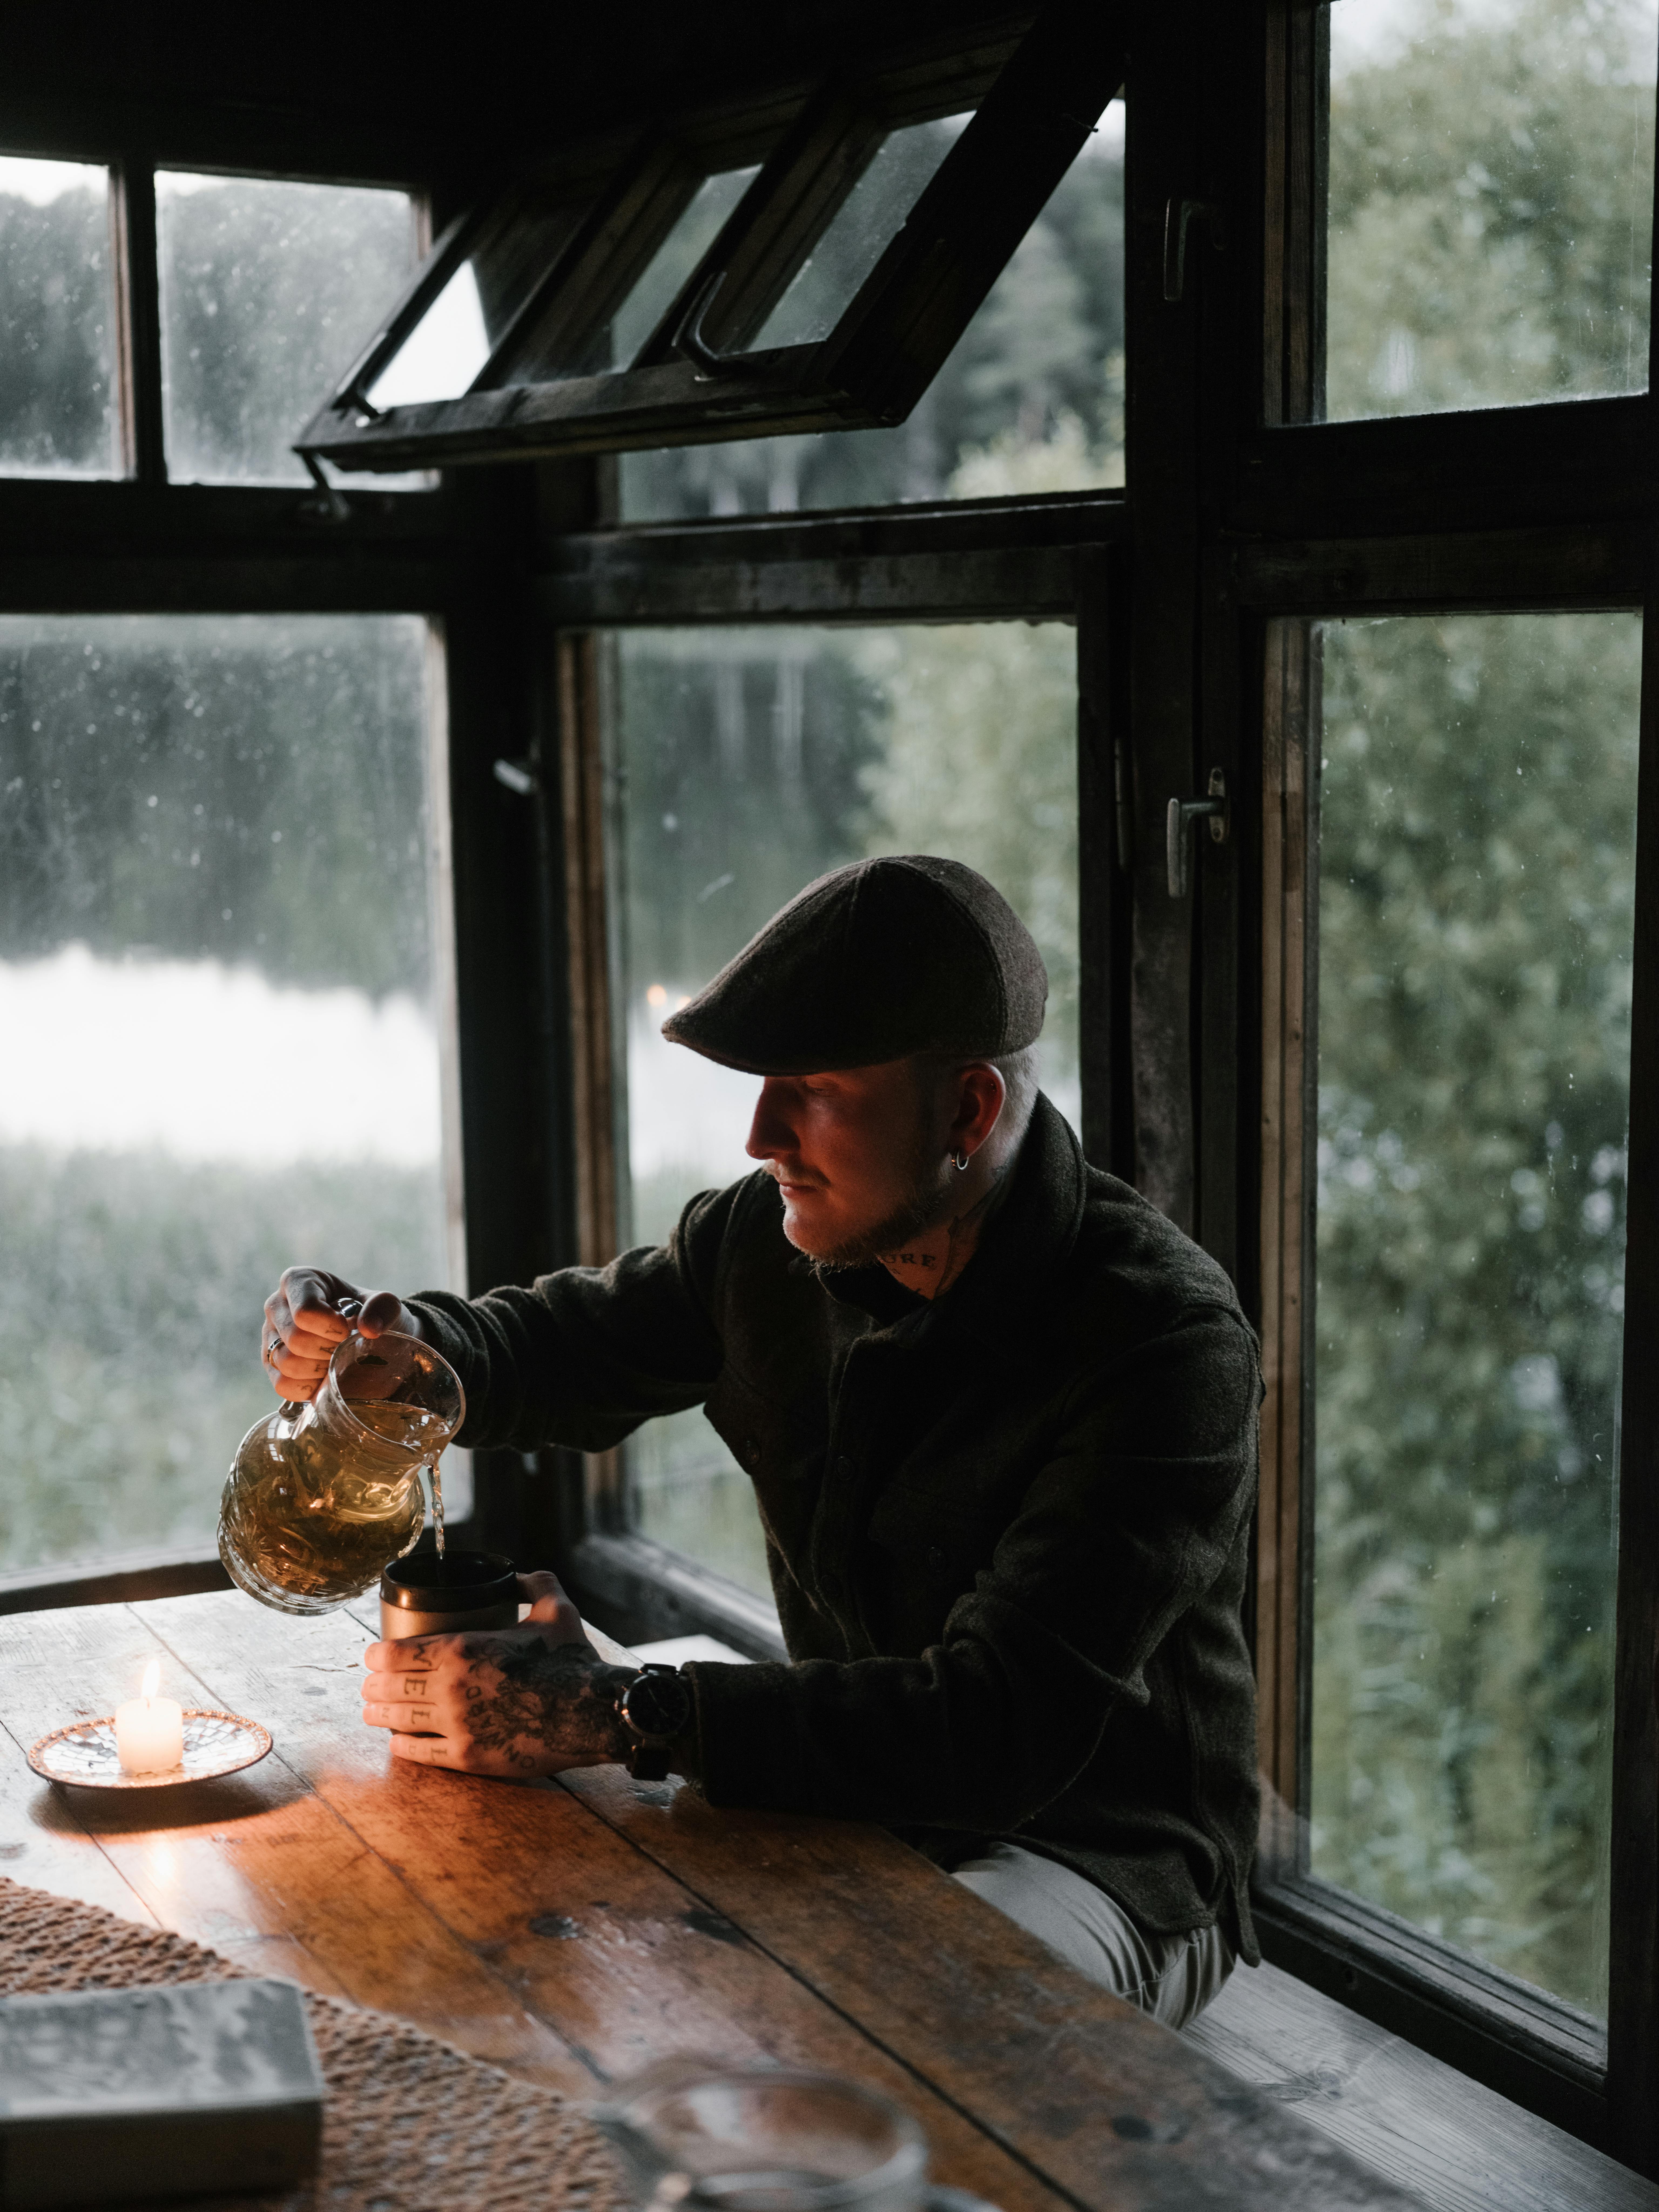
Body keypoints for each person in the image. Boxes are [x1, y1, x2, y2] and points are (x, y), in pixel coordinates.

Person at [262, 855, 1262, 2028]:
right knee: (486, 1939)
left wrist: (628, 1710)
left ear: (970, 1109)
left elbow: (997, 1725)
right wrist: (405, 1348)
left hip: (1095, 1853)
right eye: (762, 1082)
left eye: (815, 1085)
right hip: (853, 1790)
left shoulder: (1163, 1341)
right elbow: (565, 1343)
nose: (759, 1132)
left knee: (917, 2022)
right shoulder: (770, 1241)